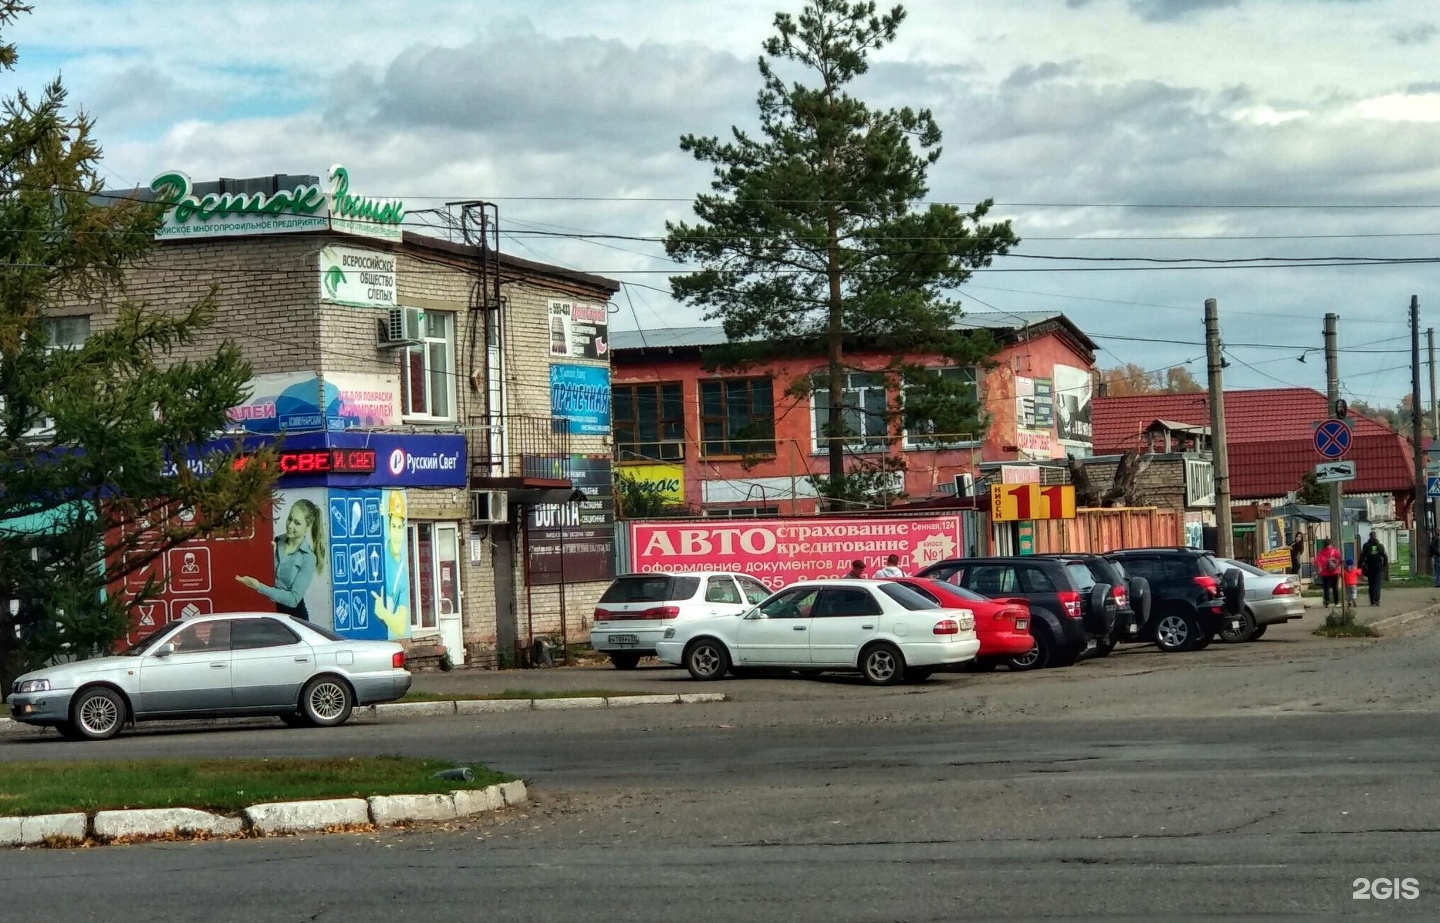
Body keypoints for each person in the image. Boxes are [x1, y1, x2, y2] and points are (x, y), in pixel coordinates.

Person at [237, 498, 326, 620]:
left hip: (296, 619)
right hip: (274, 615)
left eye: (297, 523)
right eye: (290, 519)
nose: (290, 525)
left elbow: (293, 599)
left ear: (307, 526)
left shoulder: (308, 558)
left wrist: (259, 587)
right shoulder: (276, 542)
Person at [373, 489, 411, 638]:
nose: (397, 534)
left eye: (400, 527)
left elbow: (401, 628)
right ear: (388, 527)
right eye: (393, 527)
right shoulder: (379, 548)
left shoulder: (402, 575)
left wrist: (383, 613)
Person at [1358, 531, 1389, 606]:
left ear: (1369, 536)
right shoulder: (1380, 546)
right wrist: (1384, 564)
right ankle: (1377, 600)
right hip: (1378, 566)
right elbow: (1385, 556)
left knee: (1371, 584)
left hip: (1369, 566)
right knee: (1377, 584)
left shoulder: (1366, 546)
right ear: (1376, 536)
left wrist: (1359, 565)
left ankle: (1372, 600)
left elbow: (1362, 556)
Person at [1314, 539, 1342, 608]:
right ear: (1331, 544)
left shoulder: (1321, 552)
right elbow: (1340, 559)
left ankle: (1327, 602)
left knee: (1326, 588)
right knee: (1335, 587)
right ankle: (1336, 602)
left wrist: (1321, 567)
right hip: (1335, 572)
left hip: (1325, 572)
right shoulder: (1335, 551)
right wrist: (1337, 565)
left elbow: (1317, 561)